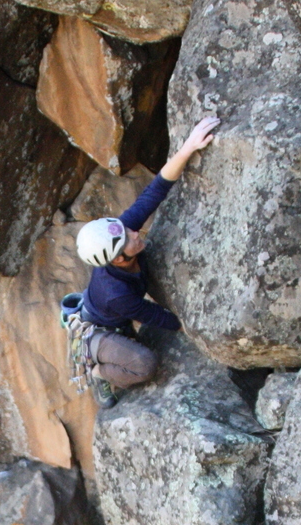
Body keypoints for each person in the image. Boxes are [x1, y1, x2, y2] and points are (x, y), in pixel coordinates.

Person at [71, 116, 220, 404]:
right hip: (97, 334)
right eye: (126, 240)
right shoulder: (116, 294)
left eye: (126, 230)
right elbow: (157, 317)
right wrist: (204, 332)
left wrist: (188, 147)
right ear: (118, 259)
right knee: (145, 365)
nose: (133, 233)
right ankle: (98, 372)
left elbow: (155, 192)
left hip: (115, 319)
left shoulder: (121, 233)